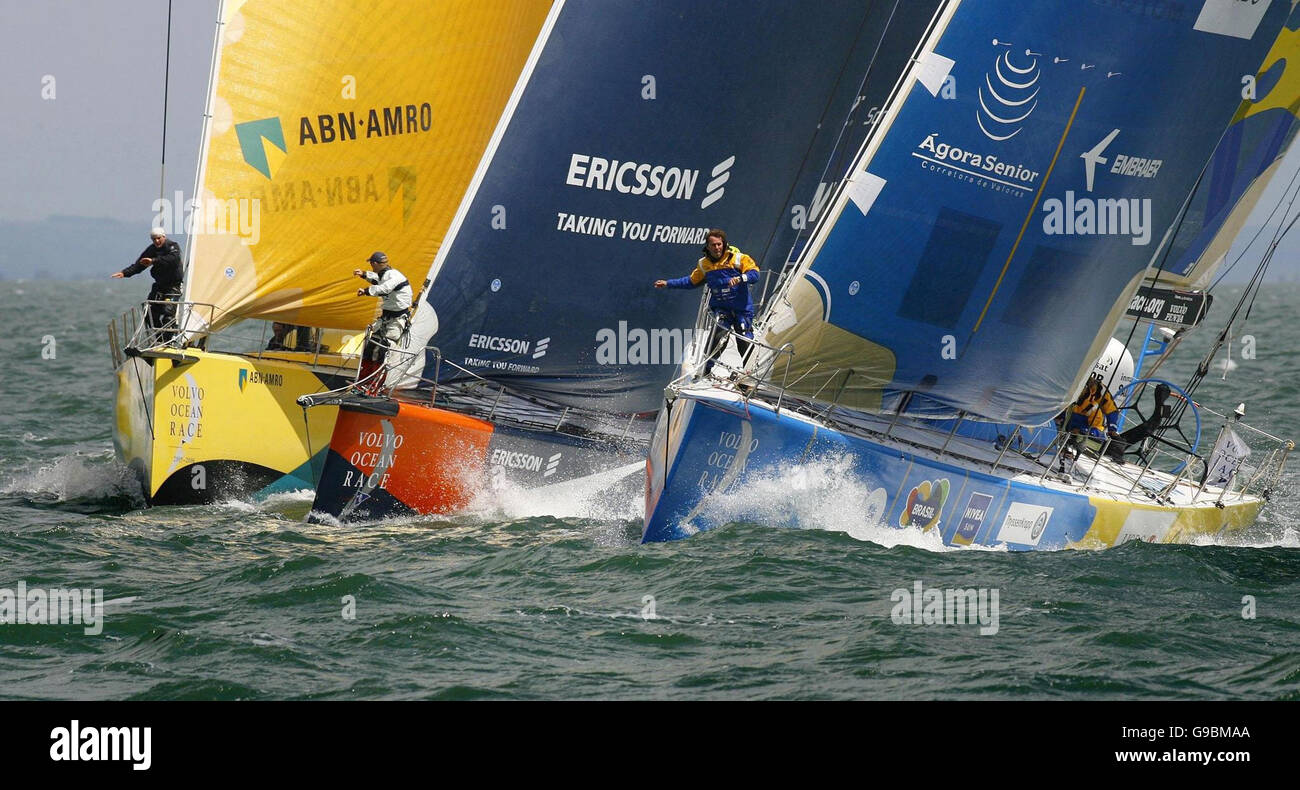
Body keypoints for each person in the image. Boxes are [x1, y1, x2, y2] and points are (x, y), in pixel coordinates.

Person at [654, 229, 759, 378]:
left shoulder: (738, 258)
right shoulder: (704, 264)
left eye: (719, 244)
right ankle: (705, 371)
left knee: (743, 338)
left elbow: (755, 274)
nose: (717, 248)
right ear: (707, 247)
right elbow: (691, 281)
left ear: (724, 244)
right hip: (722, 309)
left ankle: (750, 376)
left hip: (742, 309)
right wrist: (668, 283)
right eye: (713, 245)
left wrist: (741, 278)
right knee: (716, 339)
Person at [353, 251, 413, 391]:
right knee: (370, 348)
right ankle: (362, 382)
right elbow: (377, 279)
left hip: (396, 320)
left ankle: (375, 386)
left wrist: (366, 291)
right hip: (386, 318)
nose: (371, 266)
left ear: (374, 263)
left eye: (371, 264)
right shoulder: (385, 274)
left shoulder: (394, 276)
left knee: (382, 351)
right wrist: (363, 274)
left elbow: (384, 288)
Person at [112, 227, 184, 342]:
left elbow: (173, 259)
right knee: (149, 314)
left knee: (168, 314)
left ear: (164, 237)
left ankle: (169, 340)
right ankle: (160, 339)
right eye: (153, 239)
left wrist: (154, 261)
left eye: (158, 238)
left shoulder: (172, 246)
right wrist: (125, 273)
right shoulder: (151, 249)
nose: (156, 241)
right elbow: (139, 264)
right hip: (159, 286)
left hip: (173, 287)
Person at [1066, 372, 1120, 441]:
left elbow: (1111, 410)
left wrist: (1112, 430)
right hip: (1071, 413)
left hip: (1089, 421)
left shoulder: (1099, 392)